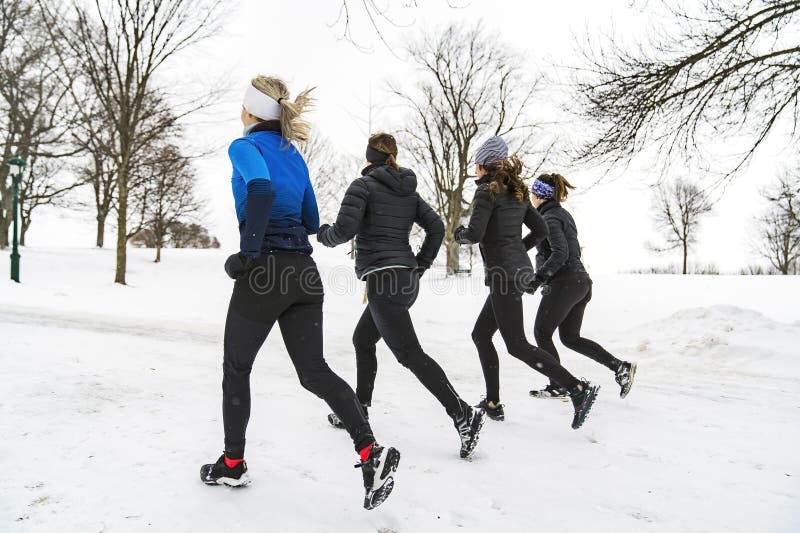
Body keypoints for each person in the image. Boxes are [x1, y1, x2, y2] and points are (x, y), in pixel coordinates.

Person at [200, 76, 399, 511]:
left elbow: (261, 188)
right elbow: (310, 219)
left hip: (265, 272)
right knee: (314, 371)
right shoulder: (294, 155)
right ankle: (370, 451)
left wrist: (249, 253)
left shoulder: (244, 147)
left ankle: (233, 463)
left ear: (250, 110)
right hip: (305, 275)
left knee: (237, 367)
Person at [317, 132, 486, 459]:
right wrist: (419, 264)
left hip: (384, 282)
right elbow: (436, 227)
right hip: (406, 281)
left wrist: (323, 234)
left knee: (410, 354)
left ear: (369, 157)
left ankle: (463, 413)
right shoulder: (407, 190)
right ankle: (359, 409)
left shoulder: (363, 186)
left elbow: (344, 230)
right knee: (362, 340)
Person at [454, 136, 599, 429]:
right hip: (515, 272)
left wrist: (459, 234)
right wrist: (518, 248)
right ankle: (492, 403)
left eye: (476, 163)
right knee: (481, 334)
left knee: (517, 345)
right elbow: (541, 229)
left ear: (483, 164)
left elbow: (475, 234)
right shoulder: (517, 190)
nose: (475, 168)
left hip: (504, 275)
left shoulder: (486, 192)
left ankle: (576, 388)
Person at [527, 173, 637, 400]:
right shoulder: (562, 215)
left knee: (542, 332)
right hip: (580, 283)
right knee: (570, 338)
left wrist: (538, 279)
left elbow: (560, 253)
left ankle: (559, 385)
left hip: (565, 283)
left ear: (541, 195)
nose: (531, 197)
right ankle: (620, 367)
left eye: (533, 193)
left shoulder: (549, 218)